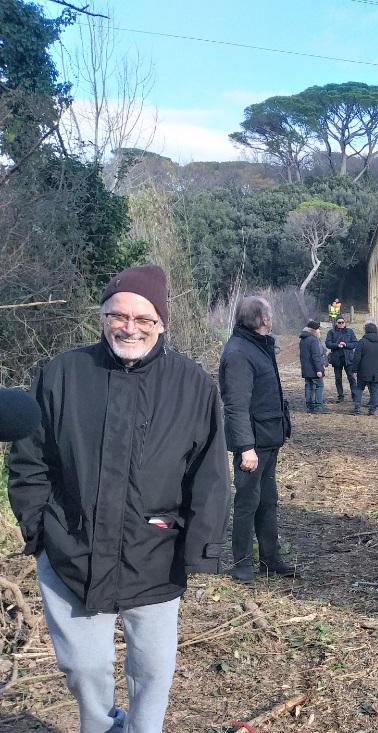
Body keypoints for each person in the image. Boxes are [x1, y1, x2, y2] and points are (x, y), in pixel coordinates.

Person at [8, 264, 229, 733]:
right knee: (84, 669)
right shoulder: (61, 373)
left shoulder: (193, 385)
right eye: (118, 315)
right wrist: (40, 529)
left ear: (162, 323)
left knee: (152, 671)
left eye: (143, 319)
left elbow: (209, 476)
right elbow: (30, 460)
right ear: (103, 316)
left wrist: (201, 548)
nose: (129, 327)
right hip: (71, 551)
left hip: (154, 552)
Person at [219, 296, 296, 582]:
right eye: (270, 312)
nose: (273, 316)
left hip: (268, 438)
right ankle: (241, 564)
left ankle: (270, 558)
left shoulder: (258, 345)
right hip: (253, 445)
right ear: (263, 319)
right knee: (247, 503)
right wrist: (245, 447)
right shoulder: (239, 352)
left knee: (268, 500)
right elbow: (236, 404)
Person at [351, 321, 378, 416]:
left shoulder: (362, 342)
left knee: (359, 389)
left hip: (363, 371)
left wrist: (354, 370)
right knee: (375, 390)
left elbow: (357, 357)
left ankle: (357, 408)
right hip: (376, 371)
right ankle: (372, 409)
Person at [325, 315, 358, 402]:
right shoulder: (331, 332)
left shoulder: (350, 331)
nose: (341, 324)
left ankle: (355, 395)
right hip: (337, 358)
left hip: (348, 358)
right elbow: (328, 343)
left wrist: (346, 344)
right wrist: (337, 345)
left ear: (345, 323)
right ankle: (340, 396)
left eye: (342, 322)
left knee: (351, 377)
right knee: (338, 378)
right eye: (339, 322)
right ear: (336, 323)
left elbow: (355, 343)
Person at [300, 320, 328, 413]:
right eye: (318, 329)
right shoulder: (313, 340)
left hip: (306, 369)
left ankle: (309, 406)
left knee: (308, 386)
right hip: (314, 369)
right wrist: (319, 370)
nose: (320, 331)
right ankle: (318, 406)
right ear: (315, 330)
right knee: (319, 386)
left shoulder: (303, 339)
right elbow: (315, 356)